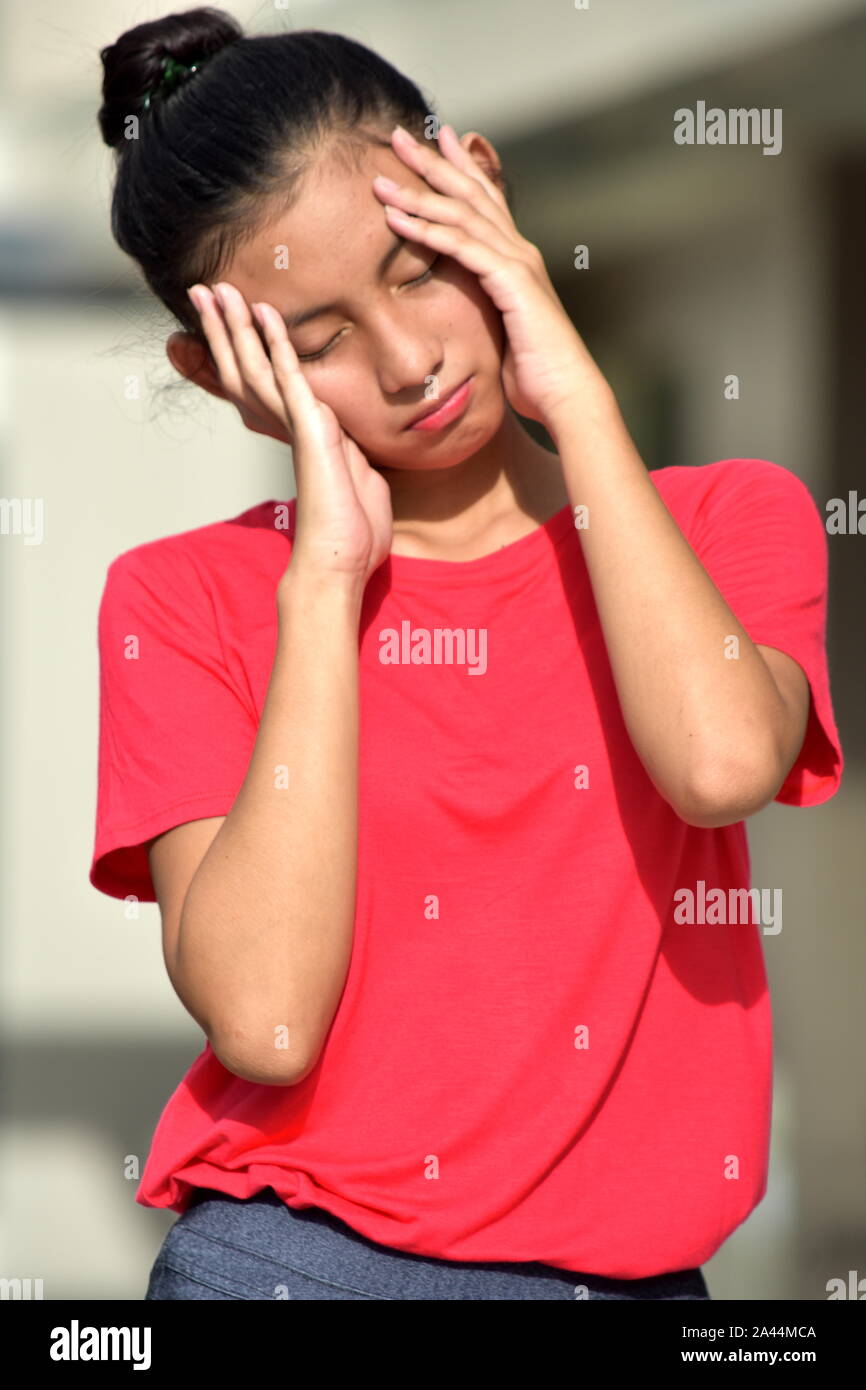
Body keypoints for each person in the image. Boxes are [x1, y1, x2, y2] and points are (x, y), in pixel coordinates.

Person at [90, 9, 844, 1301]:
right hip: (297, 1267)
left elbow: (717, 760)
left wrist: (578, 395)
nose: (407, 358)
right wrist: (324, 585)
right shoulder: (190, 597)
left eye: (416, 265)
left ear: (478, 186)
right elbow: (265, 1018)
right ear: (218, 373)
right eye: (315, 341)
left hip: (644, 1285)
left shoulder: (728, 522)